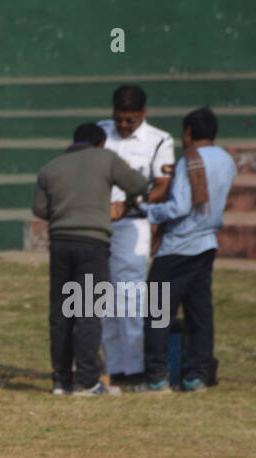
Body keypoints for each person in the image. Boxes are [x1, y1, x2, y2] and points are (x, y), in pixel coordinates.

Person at [32, 123, 150, 395]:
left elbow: (39, 208)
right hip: (93, 244)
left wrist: (66, 215)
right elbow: (139, 183)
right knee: (87, 310)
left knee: (61, 312)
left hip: (61, 243)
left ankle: (60, 379)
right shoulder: (106, 158)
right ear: (100, 143)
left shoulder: (51, 167)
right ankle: (86, 380)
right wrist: (128, 202)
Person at [138, 107, 235, 393]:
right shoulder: (227, 160)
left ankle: (156, 375)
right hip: (206, 244)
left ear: (189, 132)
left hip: (178, 246)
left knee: (158, 311)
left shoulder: (189, 162)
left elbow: (179, 207)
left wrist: (147, 209)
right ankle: (197, 374)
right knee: (199, 312)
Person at [98, 85, 175, 387]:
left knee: (130, 296)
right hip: (100, 223)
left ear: (143, 114)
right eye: (119, 119)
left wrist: (130, 204)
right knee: (101, 296)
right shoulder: (100, 133)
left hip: (132, 225)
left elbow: (161, 186)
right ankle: (115, 368)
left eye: (130, 120)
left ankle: (136, 369)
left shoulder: (159, 140)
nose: (123, 126)